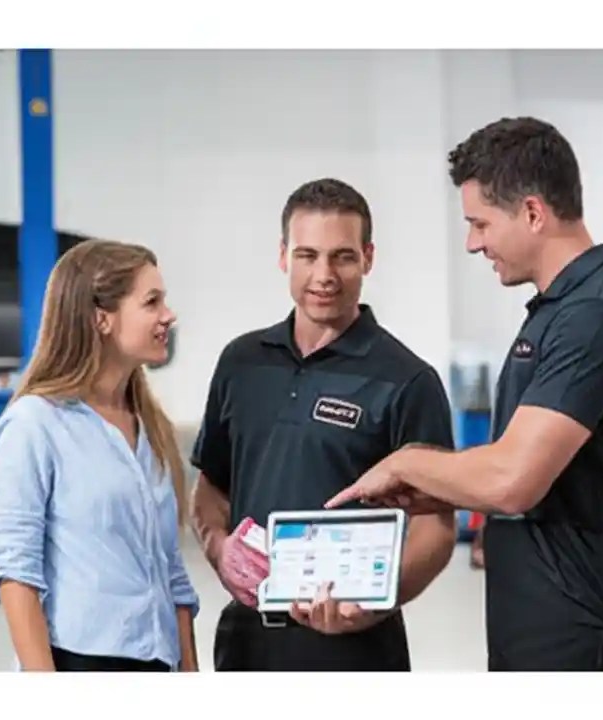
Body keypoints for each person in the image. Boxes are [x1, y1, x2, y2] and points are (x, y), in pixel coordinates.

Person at [327, 117, 603, 672]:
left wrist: (409, 463)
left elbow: (512, 481)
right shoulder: (559, 313)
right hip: (548, 612)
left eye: (479, 223)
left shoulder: (599, 313)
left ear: (533, 213)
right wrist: (438, 492)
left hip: (585, 622)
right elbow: (542, 476)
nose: (473, 243)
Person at [190, 178, 458, 672]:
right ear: (282, 256)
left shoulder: (407, 380)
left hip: (355, 651)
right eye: (307, 255)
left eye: (343, 256)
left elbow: (435, 527)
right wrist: (218, 547)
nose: (324, 275)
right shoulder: (242, 362)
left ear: (368, 257)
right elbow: (211, 488)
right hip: (247, 640)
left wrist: (374, 605)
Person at [0, 239, 200, 672]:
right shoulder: (35, 424)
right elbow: (17, 573)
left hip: (158, 662)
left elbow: (172, 573)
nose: (168, 316)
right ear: (102, 318)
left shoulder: (150, 426)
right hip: (79, 663)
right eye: (152, 302)